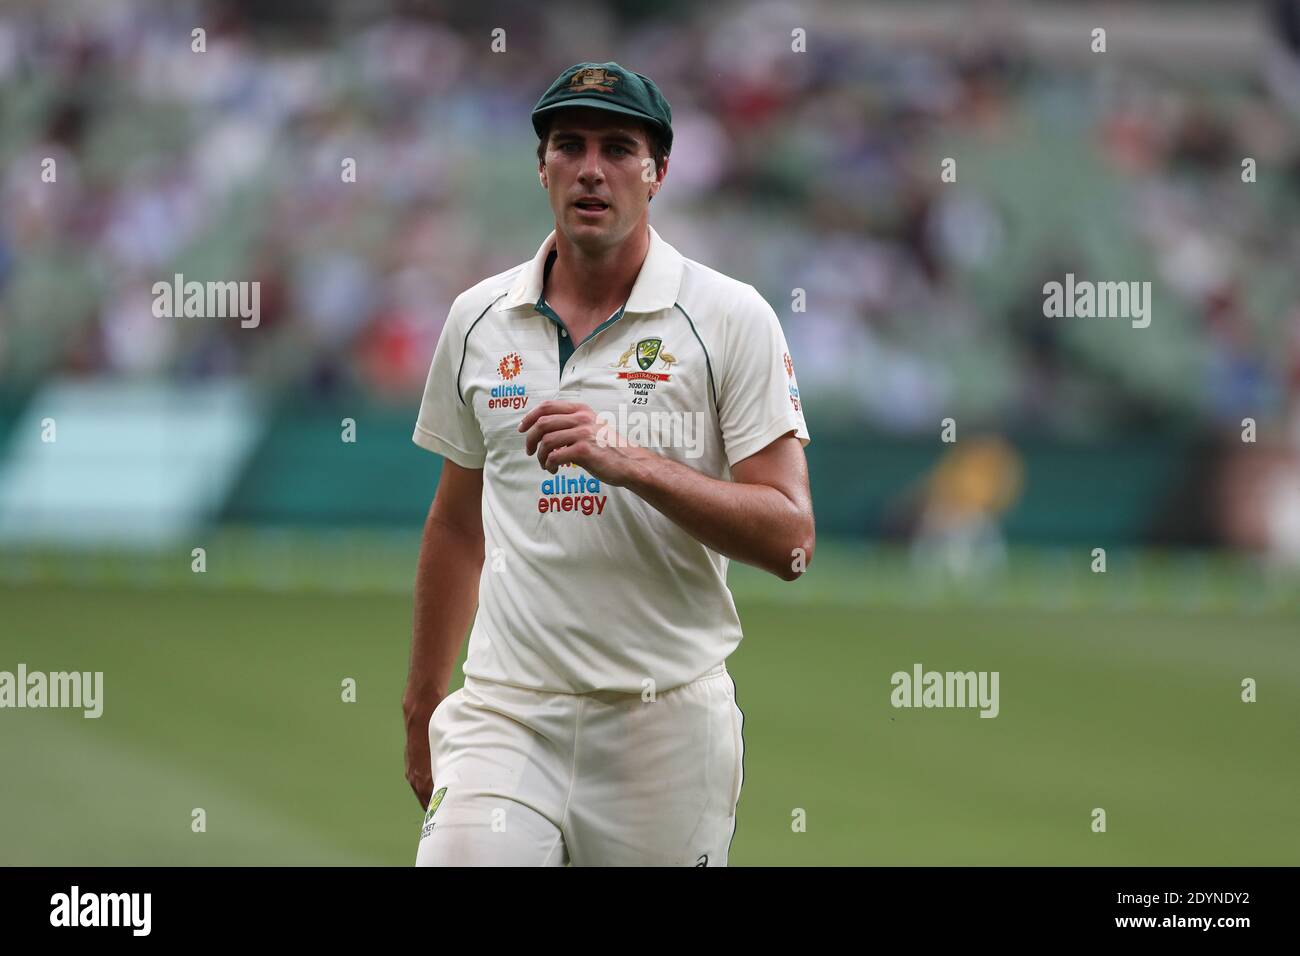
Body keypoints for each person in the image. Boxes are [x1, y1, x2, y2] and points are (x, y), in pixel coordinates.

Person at [403, 61, 814, 866]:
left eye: (619, 148)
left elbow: (790, 540)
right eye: (570, 145)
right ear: (542, 166)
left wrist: (630, 462)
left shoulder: (730, 318)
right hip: (505, 713)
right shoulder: (478, 319)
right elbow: (457, 525)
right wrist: (423, 698)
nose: (592, 168)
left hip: (664, 727)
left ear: (657, 172)